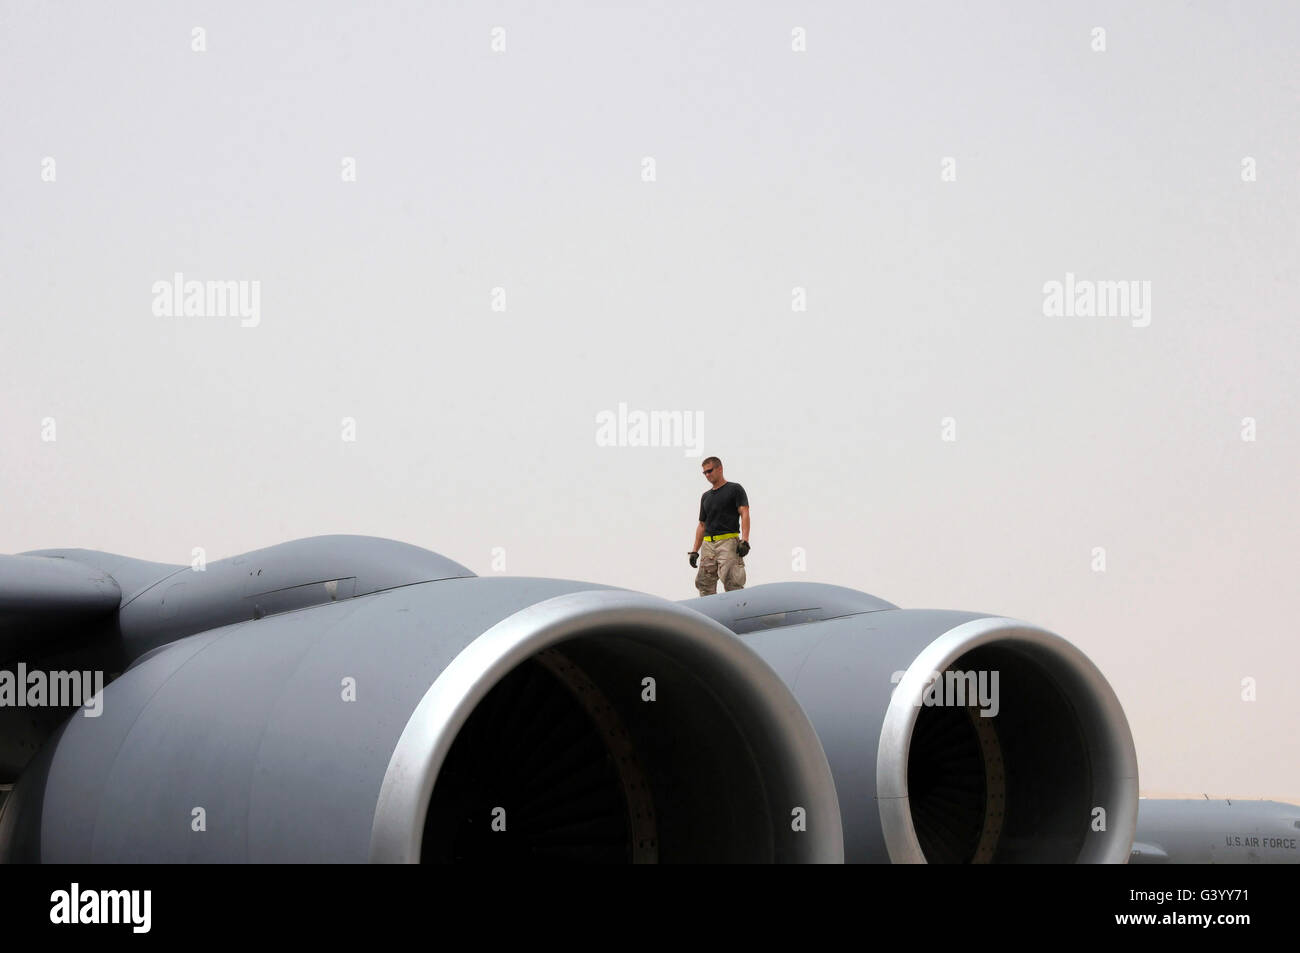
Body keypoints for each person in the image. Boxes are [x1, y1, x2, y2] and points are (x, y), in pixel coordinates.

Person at [688, 456, 750, 596]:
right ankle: (709, 614)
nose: (708, 475)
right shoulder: (706, 496)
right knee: (704, 583)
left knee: (732, 580)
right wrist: (694, 551)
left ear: (720, 468)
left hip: (727, 542)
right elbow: (702, 525)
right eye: (705, 473)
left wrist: (745, 540)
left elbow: (744, 512)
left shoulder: (734, 489)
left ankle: (737, 612)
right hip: (708, 544)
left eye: (710, 471)